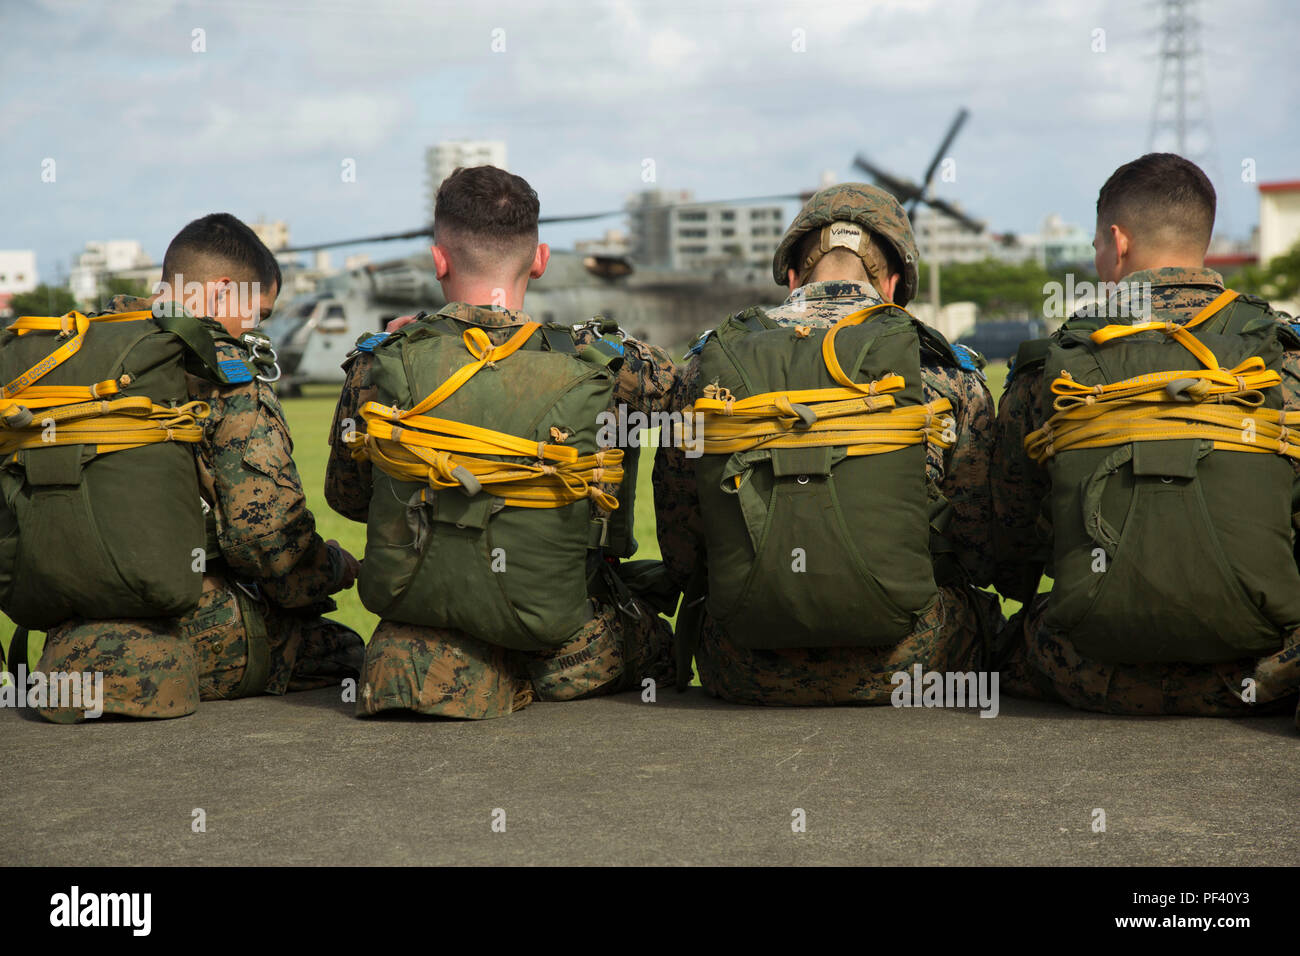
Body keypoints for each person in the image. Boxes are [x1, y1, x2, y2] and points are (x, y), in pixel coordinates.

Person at [325, 165, 677, 718]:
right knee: (660, 646)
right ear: (540, 261)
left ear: (439, 260)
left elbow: (348, 497)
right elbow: (693, 397)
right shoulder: (609, 365)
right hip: (566, 646)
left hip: (417, 641)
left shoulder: (378, 361)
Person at [5, 213, 364, 722]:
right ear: (220, 292)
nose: (255, 329)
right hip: (189, 624)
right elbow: (269, 545)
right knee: (347, 652)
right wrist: (333, 567)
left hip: (62, 627)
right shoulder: (219, 366)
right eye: (256, 312)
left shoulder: (73, 354)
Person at [653, 183, 1000, 705]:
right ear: (894, 283)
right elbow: (979, 549)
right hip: (915, 664)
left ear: (793, 276)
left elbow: (683, 547)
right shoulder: (945, 370)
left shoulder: (706, 367)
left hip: (744, 667)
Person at [993, 153, 1300, 726]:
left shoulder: (1050, 366)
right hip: (1262, 669)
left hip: (1089, 668)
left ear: (1118, 240)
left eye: (1095, 246)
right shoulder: (1285, 353)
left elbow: (1010, 552)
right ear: (1202, 238)